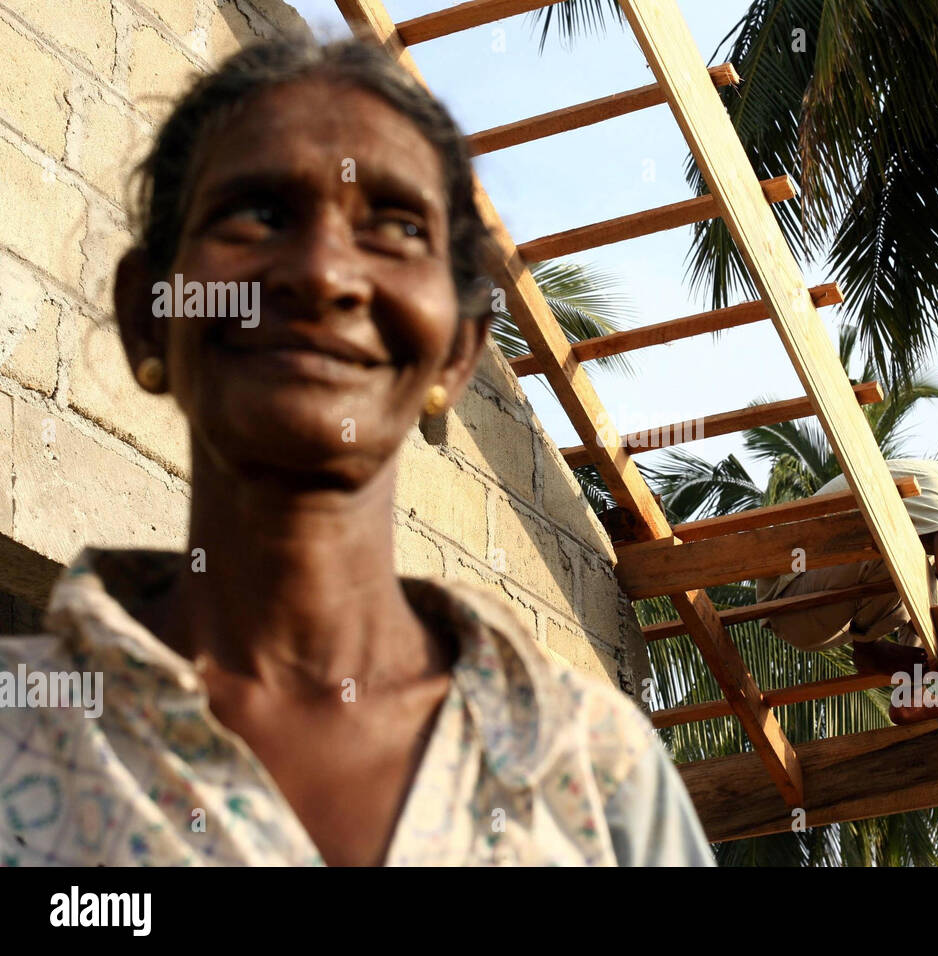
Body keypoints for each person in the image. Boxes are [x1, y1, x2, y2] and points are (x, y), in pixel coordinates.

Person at [0, 39, 713, 867]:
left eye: (397, 227)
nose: (323, 272)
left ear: (456, 352)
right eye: (256, 214)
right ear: (147, 315)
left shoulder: (594, 769)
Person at [754, 447, 938, 720]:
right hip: (791, 593)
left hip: (822, 613)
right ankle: (903, 669)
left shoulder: (934, 505)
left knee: (935, 579)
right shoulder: (931, 480)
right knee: (918, 557)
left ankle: (915, 684)